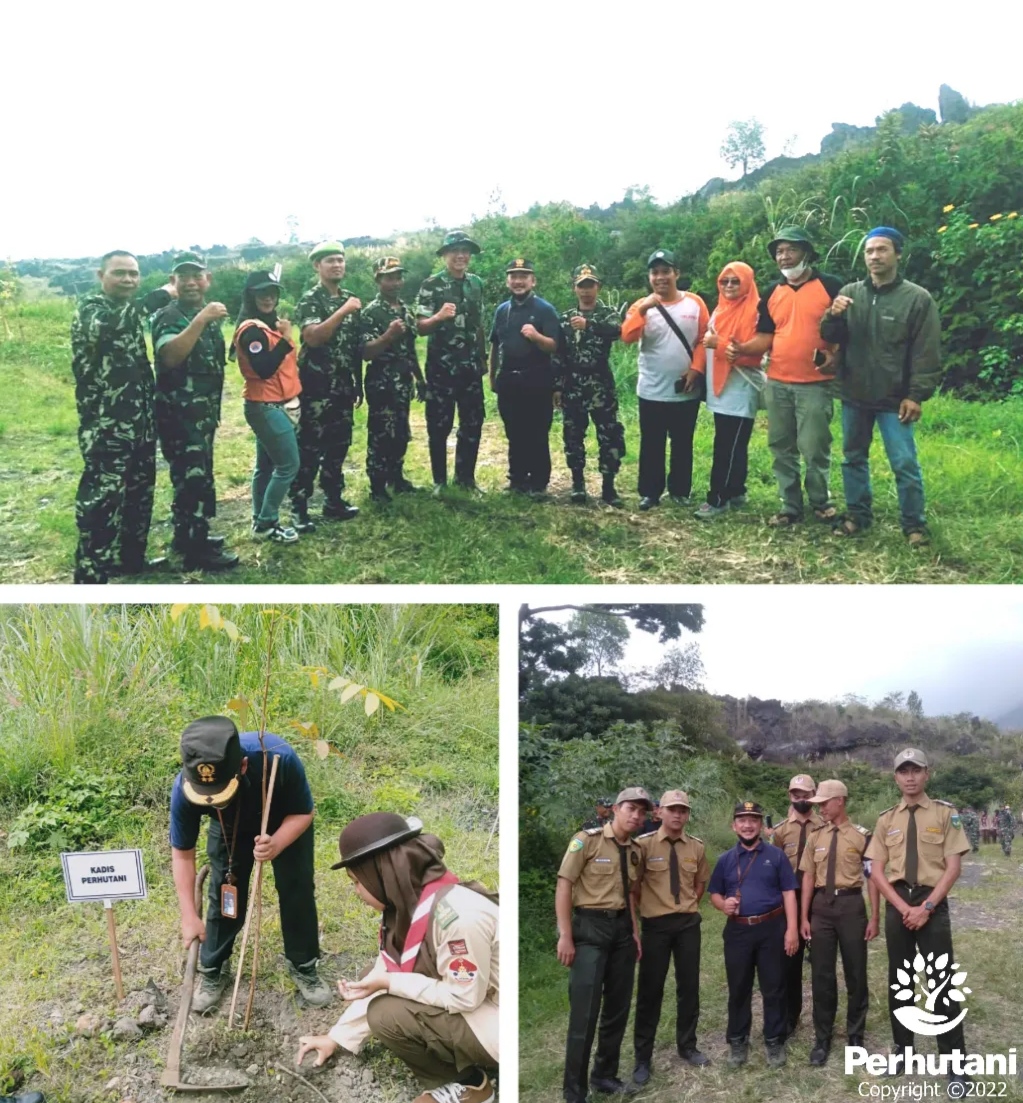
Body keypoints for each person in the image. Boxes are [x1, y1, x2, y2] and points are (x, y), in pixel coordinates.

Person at [295, 813, 498, 1103]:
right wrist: (336, 1037)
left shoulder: (457, 916)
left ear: (380, 876)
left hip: (498, 1021)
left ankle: (472, 1086)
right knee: (376, 978)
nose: (356, 892)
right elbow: (387, 967)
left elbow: (465, 998)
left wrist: (389, 982)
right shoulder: (407, 906)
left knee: (386, 1013)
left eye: (356, 881)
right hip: (478, 1005)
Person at [169, 716, 330, 1012]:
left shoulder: (279, 758)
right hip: (228, 825)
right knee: (225, 888)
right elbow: (183, 853)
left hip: (283, 817)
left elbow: (304, 813)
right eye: (206, 796)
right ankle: (214, 968)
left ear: (242, 766)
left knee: (297, 888)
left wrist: (277, 843)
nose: (213, 799)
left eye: (220, 791)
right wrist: (189, 916)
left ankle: (304, 964)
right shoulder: (184, 787)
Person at [820, 227, 941, 546]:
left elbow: (926, 351)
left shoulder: (917, 298)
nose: (875, 256)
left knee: (904, 462)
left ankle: (914, 524)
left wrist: (916, 395)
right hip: (854, 393)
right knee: (852, 457)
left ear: (898, 254)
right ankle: (857, 516)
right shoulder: (850, 293)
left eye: (882, 250)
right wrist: (833, 315)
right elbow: (831, 336)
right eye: (869, 251)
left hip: (894, 399)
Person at [866, 748, 969, 1089]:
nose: (909, 777)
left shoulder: (945, 814)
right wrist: (901, 906)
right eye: (903, 771)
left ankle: (955, 1062)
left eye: (916, 770)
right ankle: (903, 1051)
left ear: (928, 774)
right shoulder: (886, 820)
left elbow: (953, 868)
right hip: (899, 902)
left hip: (931, 901)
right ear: (895, 777)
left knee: (941, 981)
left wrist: (925, 908)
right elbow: (877, 872)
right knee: (900, 981)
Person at [729, 228, 842, 526]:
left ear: (806, 251)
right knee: (781, 446)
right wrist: (739, 348)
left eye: (790, 249)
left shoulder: (831, 286)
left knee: (814, 446)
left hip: (816, 383)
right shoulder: (771, 292)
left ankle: (820, 502)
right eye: (779, 251)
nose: (784, 256)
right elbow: (765, 338)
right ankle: (789, 505)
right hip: (777, 381)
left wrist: (836, 357)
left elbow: (847, 332)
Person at [70, 250, 161, 583]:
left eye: (133, 274)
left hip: (139, 423)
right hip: (106, 427)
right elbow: (111, 327)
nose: (128, 280)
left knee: (139, 495)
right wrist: (159, 296)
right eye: (120, 273)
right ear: (101, 276)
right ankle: (91, 574)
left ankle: (131, 560)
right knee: (102, 502)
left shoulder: (128, 311)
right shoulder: (92, 310)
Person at [556, 787, 650, 1101]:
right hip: (590, 931)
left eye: (641, 811)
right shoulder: (587, 840)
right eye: (630, 808)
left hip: (622, 931)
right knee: (585, 1013)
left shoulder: (636, 850)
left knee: (617, 1010)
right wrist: (566, 935)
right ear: (614, 809)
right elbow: (564, 885)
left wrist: (634, 932)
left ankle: (604, 1075)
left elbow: (631, 896)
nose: (636, 815)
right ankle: (574, 1090)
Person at [152, 252, 238, 571]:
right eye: (183, 276)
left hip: (201, 414)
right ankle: (196, 551)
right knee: (192, 479)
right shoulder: (170, 314)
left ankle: (186, 535)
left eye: (196, 275)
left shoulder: (206, 315)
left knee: (196, 475)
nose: (190, 281)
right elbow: (170, 357)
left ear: (207, 279)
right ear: (173, 282)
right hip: (180, 415)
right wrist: (202, 319)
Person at [708, 801, 799, 1069]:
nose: (747, 825)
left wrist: (791, 929)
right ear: (734, 825)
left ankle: (774, 1039)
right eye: (742, 820)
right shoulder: (725, 859)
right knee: (739, 988)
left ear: (761, 825)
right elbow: (714, 892)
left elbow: (789, 893)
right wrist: (722, 904)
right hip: (738, 931)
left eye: (753, 820)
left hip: (772, 928)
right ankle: (738, 1040)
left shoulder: (776, 856)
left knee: (774, 986)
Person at [797, 780, 880, 1066]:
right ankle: (823, 1038)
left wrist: (875, 916)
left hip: (851, 907)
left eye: (824, 803)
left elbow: (873, 878)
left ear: (840, 801)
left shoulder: (862, 836)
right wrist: (804, 917)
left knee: (856, 973)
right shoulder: (815, 836)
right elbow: (808, 877)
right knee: (822, 975)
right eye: (818, 804)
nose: (820, 808)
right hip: (821, 908)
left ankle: (855, 1036)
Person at [632, 791, 711, 1085]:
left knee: (689, 987)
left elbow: (699, 884)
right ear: (659, 812)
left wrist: (683, 907)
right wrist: (654, 909)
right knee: (650, 991)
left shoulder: (697, 847)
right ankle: (642, 1057)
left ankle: (687, 1045)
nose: (678, 815)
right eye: (672, 810)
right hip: (656, 926)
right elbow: (635, 887)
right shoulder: (643, 846)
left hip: (688, 924)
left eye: (683, 810)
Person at [621, 250, 709, 510]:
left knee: (682, 441)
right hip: (651, 389)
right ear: (649, 277)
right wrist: (644, 310)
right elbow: (626, 336)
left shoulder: (695, 303)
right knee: (652, 442)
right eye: (655, 273)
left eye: (665, 271)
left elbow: (704, 338)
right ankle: (650, 492)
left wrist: (697, 368)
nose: (660, 277)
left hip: (686, 388)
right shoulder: (640, 306)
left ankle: (681, 490)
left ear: (676, 274)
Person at [290, 242, 362, 528]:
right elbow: (313, 337)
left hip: (343, 386)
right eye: (330, 260)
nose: (337, 265)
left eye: (341, 260)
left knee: (339, 446)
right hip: (315, 388)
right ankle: (299, 506)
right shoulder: (311, 300)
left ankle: (334, 500)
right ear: (316, 266)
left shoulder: (350, 298)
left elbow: (354, 346)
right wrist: (344, 310)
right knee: (309, 448)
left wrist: (358, 384)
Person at [232, 270, 301, 543]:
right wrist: (285, 340)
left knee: (266, 466)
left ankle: (259, 518)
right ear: (250, 295)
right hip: (266, 405)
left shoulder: (268, 324)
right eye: (262, 292)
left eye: (273, 292)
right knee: (288, 466)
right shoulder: (252, 331)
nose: (268, 297)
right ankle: (266, 523)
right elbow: (263, 369)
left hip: (275, 403)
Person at [416, 231, 487, 494]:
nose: (461, 255)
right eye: (455, 250)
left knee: (472, 423)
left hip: (470, 368)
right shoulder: (431, 284)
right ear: (445, 255)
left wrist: (483, 359)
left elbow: (478, 325)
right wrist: (439, 317)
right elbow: (420, 327)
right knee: (439, 425)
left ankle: (465, 479)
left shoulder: (476, 283)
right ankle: (439, 482)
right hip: (441, 369)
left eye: (465, 251)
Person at [694, 262, 765, 518]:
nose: (730, 286)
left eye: (736, 281)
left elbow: (756, 354)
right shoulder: (720, 309)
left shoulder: (755, 312)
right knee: (734, 442)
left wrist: (719, 343)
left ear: (747, 282)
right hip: (721, 387)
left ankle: (717, 499)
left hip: (741, 387)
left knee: (727, 443)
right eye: (725, 281)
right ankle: (736, 490)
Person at [488, 259, 563, 497]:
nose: (518, 281)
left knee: (537, 432)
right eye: (513, 276)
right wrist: (492, 375)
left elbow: (555, 346)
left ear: (533, 281)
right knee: (514, 432)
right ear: (507, 281)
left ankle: (539, 483)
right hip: (509, 379)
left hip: (537, 379)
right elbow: (494, 345)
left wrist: (536, 337)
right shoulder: (502, 310)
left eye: (524, 276)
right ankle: (517, 481)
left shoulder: (545, 309)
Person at [360, 256, 426, 502]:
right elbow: (366, 352)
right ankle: (377, 486)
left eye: (398, 277)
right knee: (380, 434)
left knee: (400, 431)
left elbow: (410, 350)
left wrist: (419, 378)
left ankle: (396, 478)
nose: (395, 282)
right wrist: (388, 335)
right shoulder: (371, 312)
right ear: (378, 279)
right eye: (389, 278)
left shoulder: (406, 309)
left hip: (403, 380)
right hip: (382, 381)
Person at [559, 264, 626, 507]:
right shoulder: (565, 317)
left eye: (590, 285)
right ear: (575, 288)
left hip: (601, 383)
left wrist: (589, 326)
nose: (586, 291)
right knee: (573, 435)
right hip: (573, 384)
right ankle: (578, 484)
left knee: (609, 435)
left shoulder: (607, 314)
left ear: (598, 287)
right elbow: (558, 353)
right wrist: (557, 386)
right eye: (581, 286)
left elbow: (618, 331)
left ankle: (609, 486)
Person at [768, 773, 821, 1039]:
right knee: (790, 960)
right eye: (796, 795)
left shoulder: (823, 826)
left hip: (819, 900)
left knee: (821, 960)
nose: (801, 799)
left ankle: (822, 1019)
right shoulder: (779, 831)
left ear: (814, 795)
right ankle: (791, 1016)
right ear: (790, 796)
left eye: (806, 794)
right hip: (789, 900)